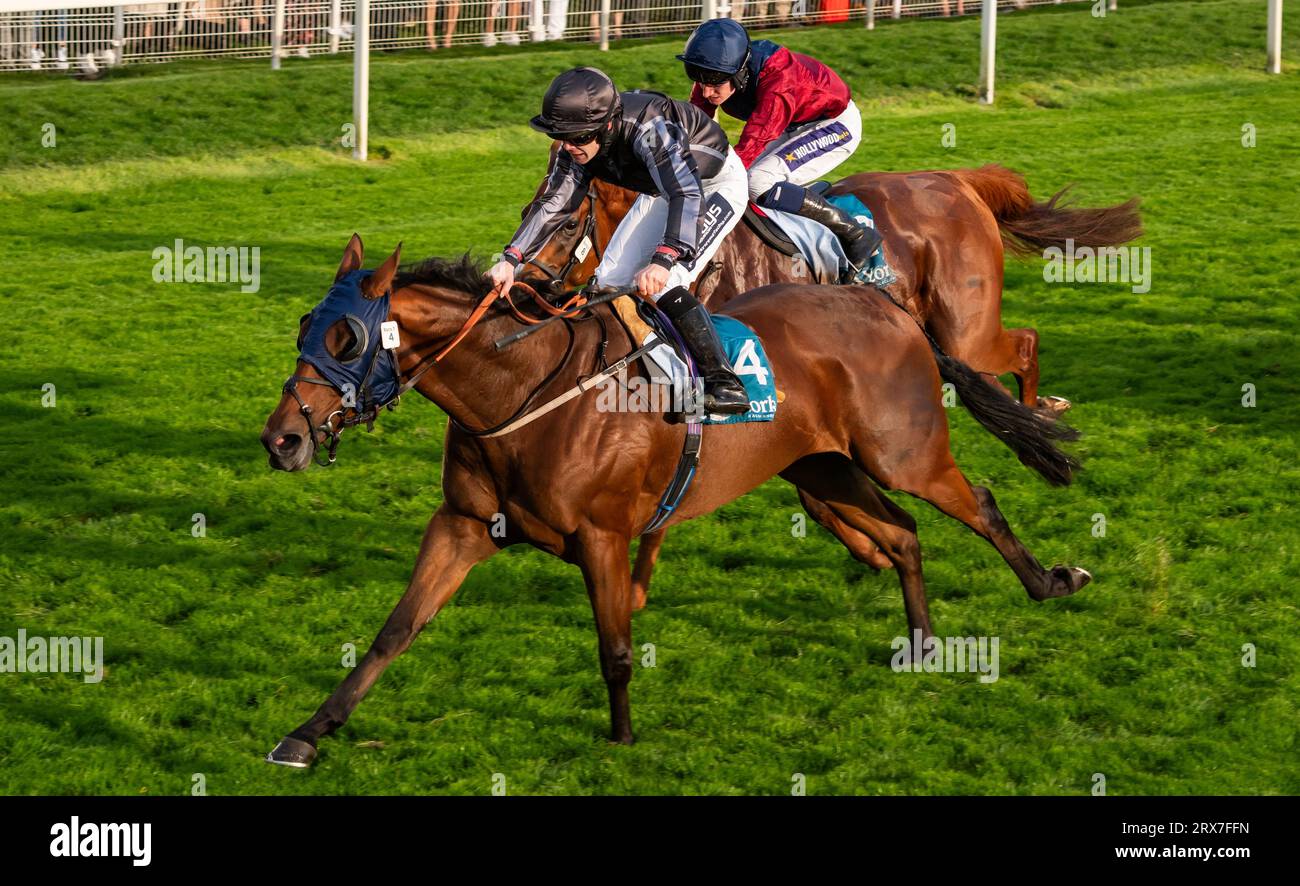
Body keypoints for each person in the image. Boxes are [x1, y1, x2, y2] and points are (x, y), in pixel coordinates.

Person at [486, 67, 751, 414]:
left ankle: (725, 383)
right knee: (609, 282)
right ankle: (673, 382)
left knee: (663, 281)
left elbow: (686, 193)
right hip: (662, 187)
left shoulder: (651, 131)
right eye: (561, 136)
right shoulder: (576, 145)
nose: (568, 146)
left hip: (710, 187)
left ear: (606, 126)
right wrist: (511, 259)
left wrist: (664, 258)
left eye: (577, 137)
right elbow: (553, 203)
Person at [677, 17, 880, 281]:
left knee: (756, 181)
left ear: (738, 73)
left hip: (834, 125)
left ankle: (855, 234)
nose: (706, 91)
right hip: (791, 122)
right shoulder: (719, 68)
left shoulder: (779, 85)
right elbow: (697, 122)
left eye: (714, 84)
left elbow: (750, 146)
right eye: (699, 80)